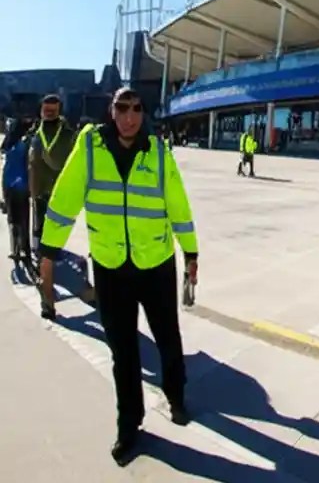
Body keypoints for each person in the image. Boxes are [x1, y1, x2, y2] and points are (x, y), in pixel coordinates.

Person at [37, 87, 200, 464]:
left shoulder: (158, 151)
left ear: (143, 113)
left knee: (168, 340)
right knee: (123, 352)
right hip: (111, 269)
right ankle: (129, 426)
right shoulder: (91, 149)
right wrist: (48, 250)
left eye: (136, 109)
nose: (130, 116)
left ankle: (176, 397)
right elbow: (65, 199)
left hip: (156, 264)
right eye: (122, 108)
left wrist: (190, 251)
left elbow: (178, 205)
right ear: (111, 111)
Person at [28, 95, 76, 269]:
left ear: (59, 110)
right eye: (45, 110)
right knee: (39, 221)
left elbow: (65, 161)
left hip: (58, 186)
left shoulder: (66, 133)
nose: (48, 113)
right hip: (38, 186)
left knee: (56, 223)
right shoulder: (34, 130)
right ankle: (40, 252)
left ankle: (52, 251)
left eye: (52, 111)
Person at [3, 119, 33, 267]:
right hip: (22, 186)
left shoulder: (9, 146)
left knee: (12, 220)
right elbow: (29, 166)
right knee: (23, 220)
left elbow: (6, 170)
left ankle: (14, 249)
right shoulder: (25, 145)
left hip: (9, 186)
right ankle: (25, 250)